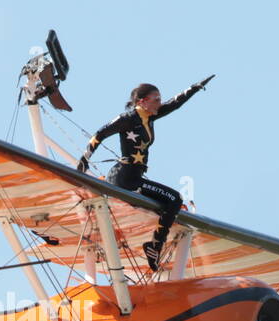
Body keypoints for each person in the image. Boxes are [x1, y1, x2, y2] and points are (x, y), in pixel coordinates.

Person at [76, 75, 214, 270]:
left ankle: (155, 245)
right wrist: (83, 161)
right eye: (156, 99)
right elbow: (99, 134)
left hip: (134, 178)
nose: (160, 102)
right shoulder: (128, 118)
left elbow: (174, 104)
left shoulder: (150, 115)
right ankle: (155, 245)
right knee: (174, 199)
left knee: (168, 204)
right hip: (125, 179)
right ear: (143, 101)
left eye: (159, 99)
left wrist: (194, 88)